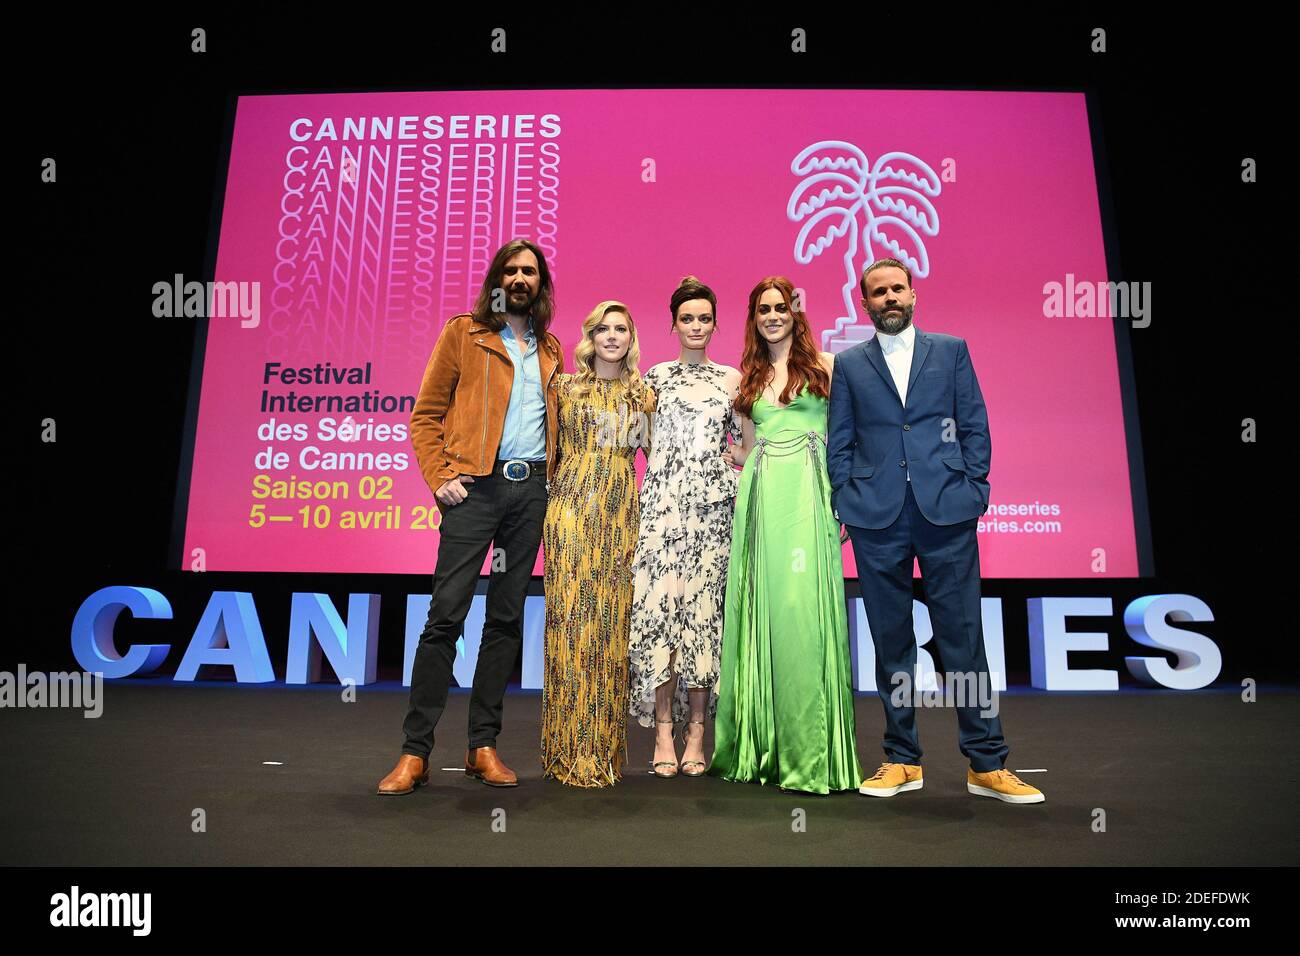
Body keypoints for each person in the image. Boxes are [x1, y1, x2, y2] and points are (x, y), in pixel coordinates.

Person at [828, 258, 1044, 804]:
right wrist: (845, 498)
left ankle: (987, 762)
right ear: (866, 303)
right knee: (891, 642)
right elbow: (841, 440)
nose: (889, 298)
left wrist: (975, 490)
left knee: (962, 638)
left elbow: (974, 423)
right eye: (878, 292)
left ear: (913, 294)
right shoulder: (851, 365)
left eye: (897, 288)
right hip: (877, 517)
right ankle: (902, 759)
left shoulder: (950, 351)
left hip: (946, 511)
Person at [377, 239, 564, 795]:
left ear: (541, 283)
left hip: (530, 494)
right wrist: (441, 478)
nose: (521, 277)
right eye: (511, 269)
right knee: (446, 618)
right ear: (497, 280)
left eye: (530, 270)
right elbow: (425, 415)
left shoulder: (552, 349)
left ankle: (483, 745)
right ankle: (414, 753)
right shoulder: (465, 333)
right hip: (474, 493)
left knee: (505, 620)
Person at [709, 276, 862, 794]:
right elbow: (746, 448)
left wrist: (842, 500)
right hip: (762, 499)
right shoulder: (747, 380)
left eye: (780, 307)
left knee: (802, 613)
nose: (772, 315)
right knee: (765, 616)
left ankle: (811, 752)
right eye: (762, 309)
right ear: (753, 318)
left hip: (809, 498)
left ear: (796, 312)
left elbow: (848, 437)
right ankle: (762, 747)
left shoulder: (829, 368)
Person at [628, 276, 741, 777]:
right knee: (658, 617)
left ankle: (698, 731)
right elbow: (642, 443)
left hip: (714, 512)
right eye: (687, 318)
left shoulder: (733, 380)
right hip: (661, 510)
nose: (696, 325)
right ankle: (662, 732)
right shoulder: (653, 378)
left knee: (703, 619)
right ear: (672, 324)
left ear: (716, 325)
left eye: (704, 318)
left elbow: (743, 445)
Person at [540, 301, 653, 787]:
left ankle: (600, 752)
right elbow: (545, 450)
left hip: (619, 516)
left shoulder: (644, 395)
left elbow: (661, 455)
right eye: (603, 329)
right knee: (570, 626)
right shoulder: (563, 389)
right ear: (589, 336)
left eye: (621, 329)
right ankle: (563, 750)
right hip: (568, 513)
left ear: (631, 337)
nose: (611, 336)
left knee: (608, 629)